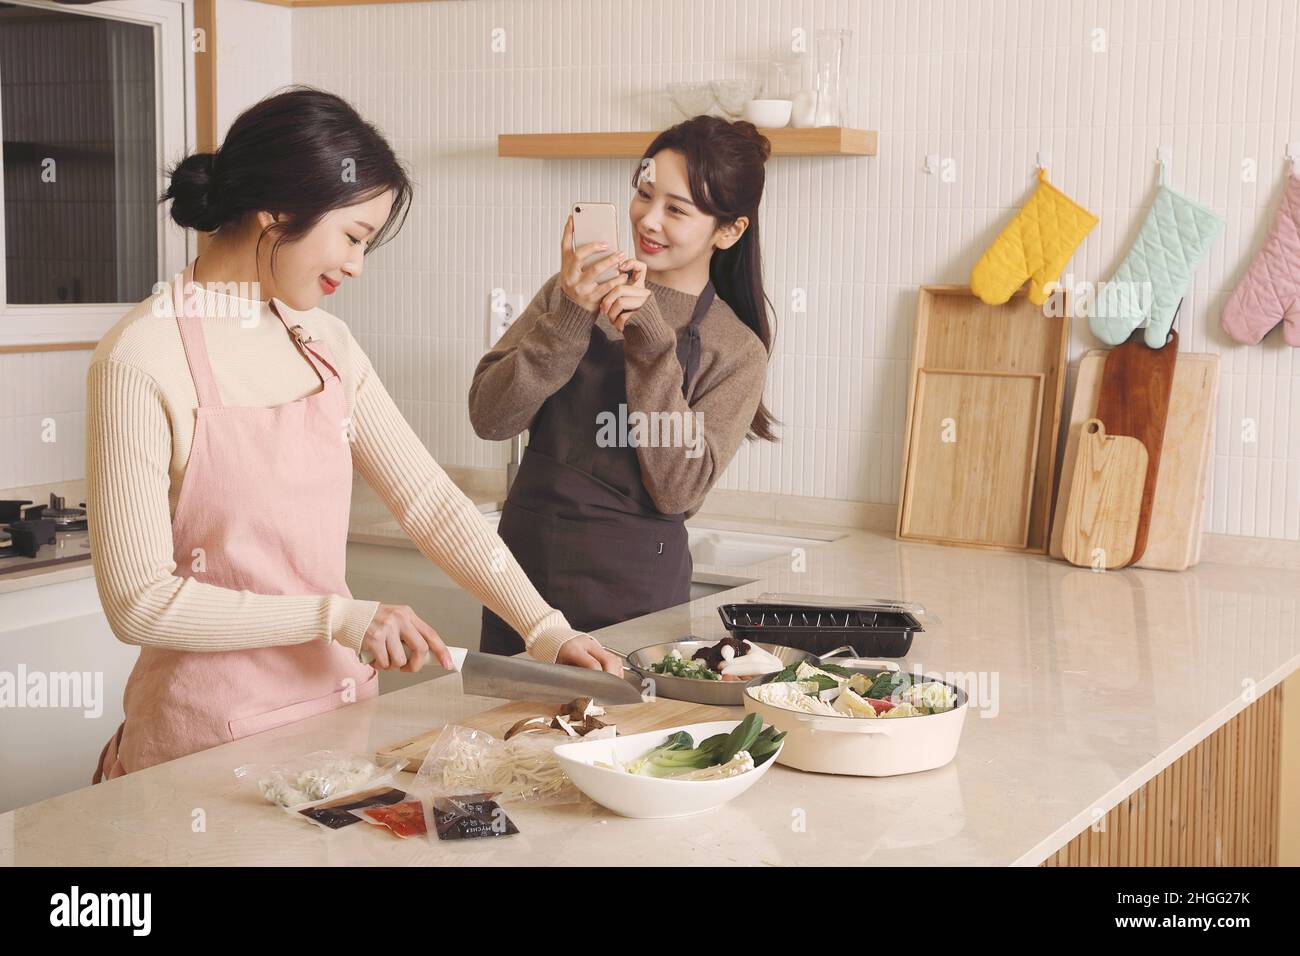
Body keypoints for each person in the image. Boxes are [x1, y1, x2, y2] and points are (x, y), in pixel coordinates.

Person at [89, 87, 616, 782]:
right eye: (353, 236)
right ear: (276, 209)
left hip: (334, 729)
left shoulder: (325, 340)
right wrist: (337, 617)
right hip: (200, 748)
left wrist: (544, 629)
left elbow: (428, 500)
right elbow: (139, 602)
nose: (356, 266)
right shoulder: (141, 356)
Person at [469, 116, 778, 656]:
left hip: (633, 600)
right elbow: (490, 417)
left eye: (676, 209)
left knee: (615, 739)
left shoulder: (736, 349)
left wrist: (651, 339)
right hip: (522, 588)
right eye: (643, 194)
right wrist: (569, 318)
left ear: (728, 231)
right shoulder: (570, 292)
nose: (648, 219)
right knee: (509, 740)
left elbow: (678, 489)